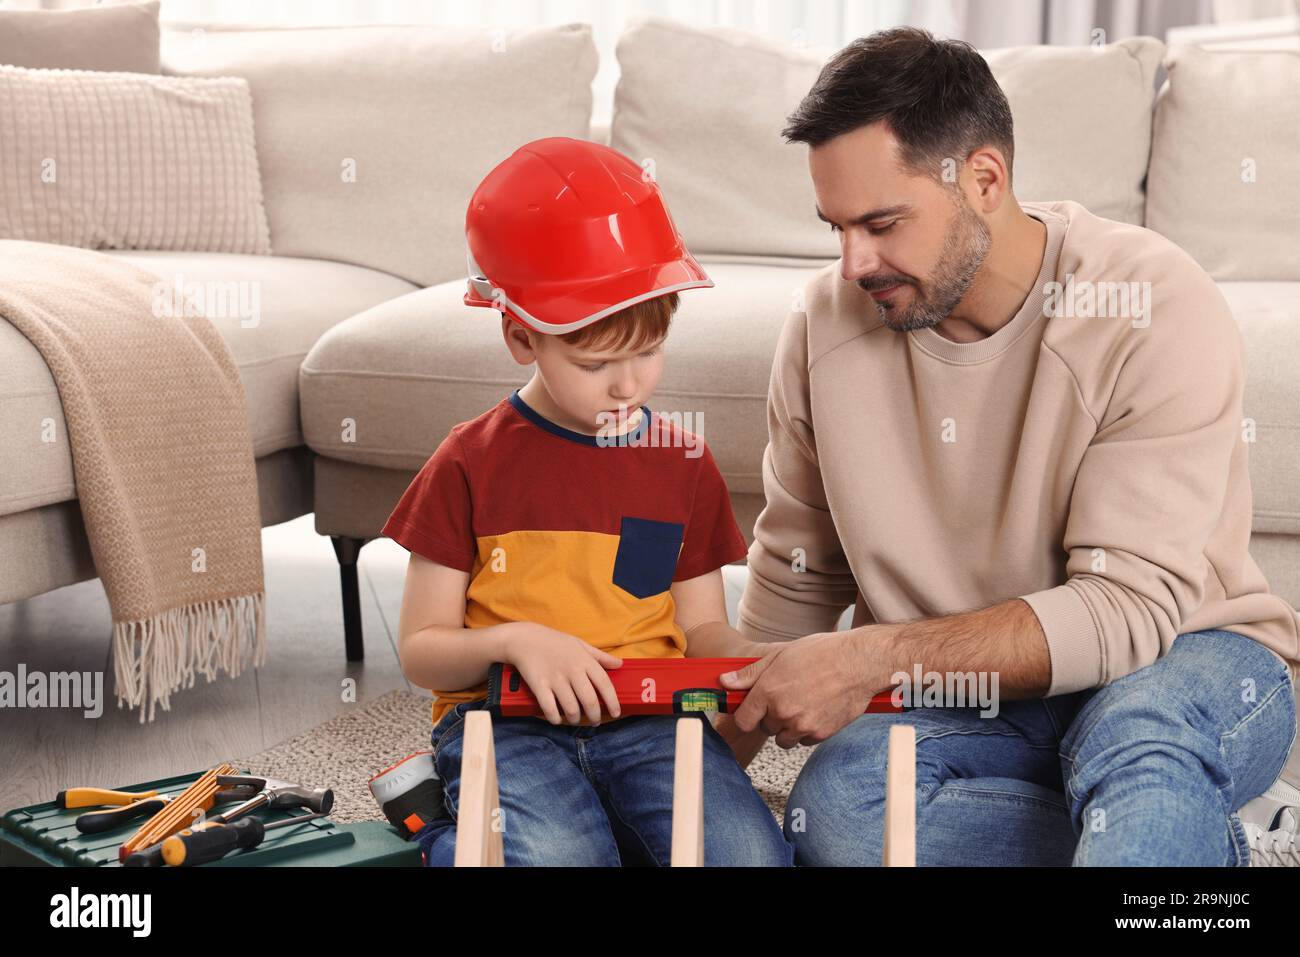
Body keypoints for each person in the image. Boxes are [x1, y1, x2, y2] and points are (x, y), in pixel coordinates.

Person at [718, 27, 1300, 866]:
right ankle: (1188, 838)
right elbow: (792, 580)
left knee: (1137, 741)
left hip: (1188, 658)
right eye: (836, 227)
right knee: (840, 806)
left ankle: (1163, 822)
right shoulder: (822, 327)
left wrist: (872, 653)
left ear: (983, 180)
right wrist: (691, 779)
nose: (852, 264)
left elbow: (1123, 613)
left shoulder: (1150, 302)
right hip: (970, 695)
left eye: (882, 223)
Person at [382, 137, 792, 867]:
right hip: (505, 723)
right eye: (594, 362)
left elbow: (700, 629)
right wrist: (513, 641)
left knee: (750, 857)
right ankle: (447, 841)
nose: (627, 384)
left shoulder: (684, 463)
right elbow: (422, 652)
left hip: (653, 721)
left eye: (649, 349)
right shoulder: (468, 461)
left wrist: (769, 661)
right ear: (520, 335)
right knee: (559, 858)